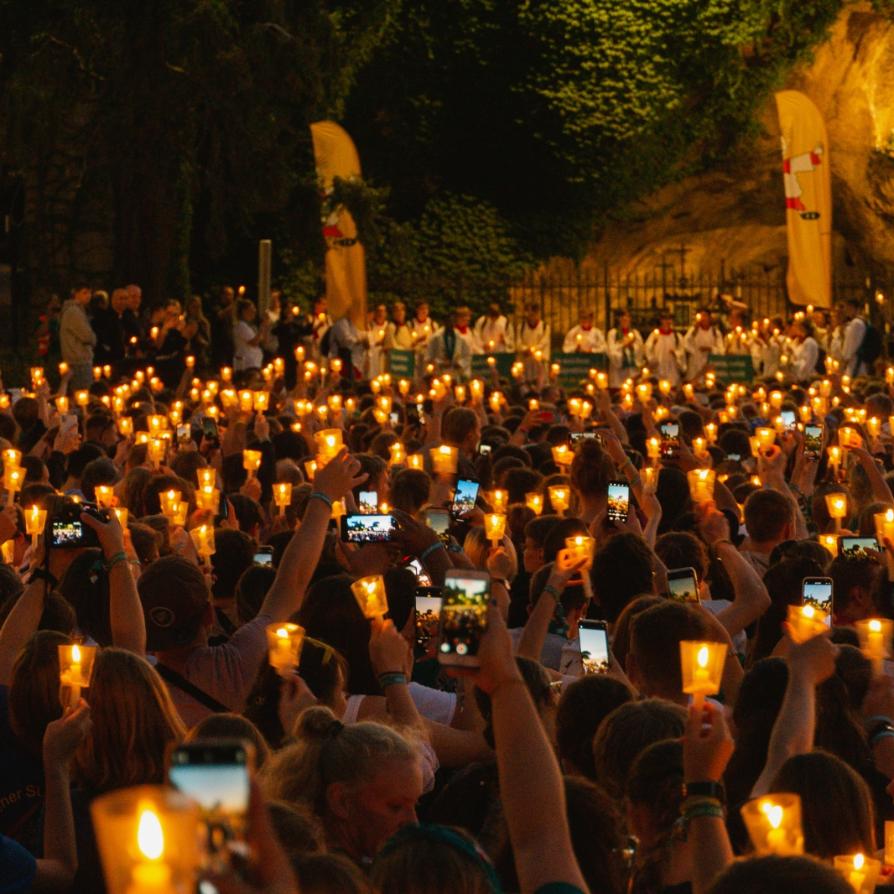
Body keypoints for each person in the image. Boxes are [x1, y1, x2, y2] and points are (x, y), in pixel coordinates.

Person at [59, 283, 97, 389]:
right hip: (78, 361)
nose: (88, 296)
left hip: (77, 359)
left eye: (90, 292)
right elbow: (87, 336)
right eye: (84, 293)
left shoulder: (77, 310)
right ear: (75, 294)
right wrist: (93, 339)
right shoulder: (73, 311)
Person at [426, 310, 473, 379]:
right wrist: (439, 363)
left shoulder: (460, 337)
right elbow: (429, 355)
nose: (451, 324)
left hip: (456, 373)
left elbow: (467, 355)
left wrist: (459, 363)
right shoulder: (436, 337)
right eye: (448, 321)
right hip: (440, 372)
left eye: (453, 321)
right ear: (444, 322)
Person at [643, 310, 685, 386]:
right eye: (665, 319)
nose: (667, 322)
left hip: (672, 372)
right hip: (658, 371)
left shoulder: (677, 336)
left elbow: (682, 352)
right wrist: (653, 344)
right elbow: (647, 350)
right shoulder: (654, 336)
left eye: (669, 319)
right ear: (661, 320)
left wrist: (675, 353)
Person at [683, 308, 725, 381]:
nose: (703, 319)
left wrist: (710, 349)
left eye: (705, 316)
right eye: (701, 316)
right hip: (695, 366)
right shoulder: (693, 330)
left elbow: (721, 351)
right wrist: (694, 332)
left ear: (709, 318)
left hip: (709, 366)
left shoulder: (715, 333)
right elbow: (685, 344)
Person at [233, 298, 273, 374]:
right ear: (244, 311)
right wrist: (261, 328)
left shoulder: (251, 327)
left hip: (255, 362)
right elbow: (254, 342)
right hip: (247, 363)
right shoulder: (240, 326)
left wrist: (266, 327)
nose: (254, 312)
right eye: (251, 309)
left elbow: (264, 342)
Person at [606, 310, 645, 388]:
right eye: (623, 319)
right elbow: (610, 350)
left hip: (632, 371)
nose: (625, 320)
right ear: (618, 320)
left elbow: (641, 349)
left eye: (627, 318)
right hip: (618, 372)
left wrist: (632, 347)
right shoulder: (612, 333)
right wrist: (623, 345)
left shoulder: (635, 333)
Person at [789, 317, 820, 382]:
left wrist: (801, 377)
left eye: (797, 327)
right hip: (795, 375)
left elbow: (808, 363)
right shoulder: (796, 341)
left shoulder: (810, 342)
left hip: (805, 377)